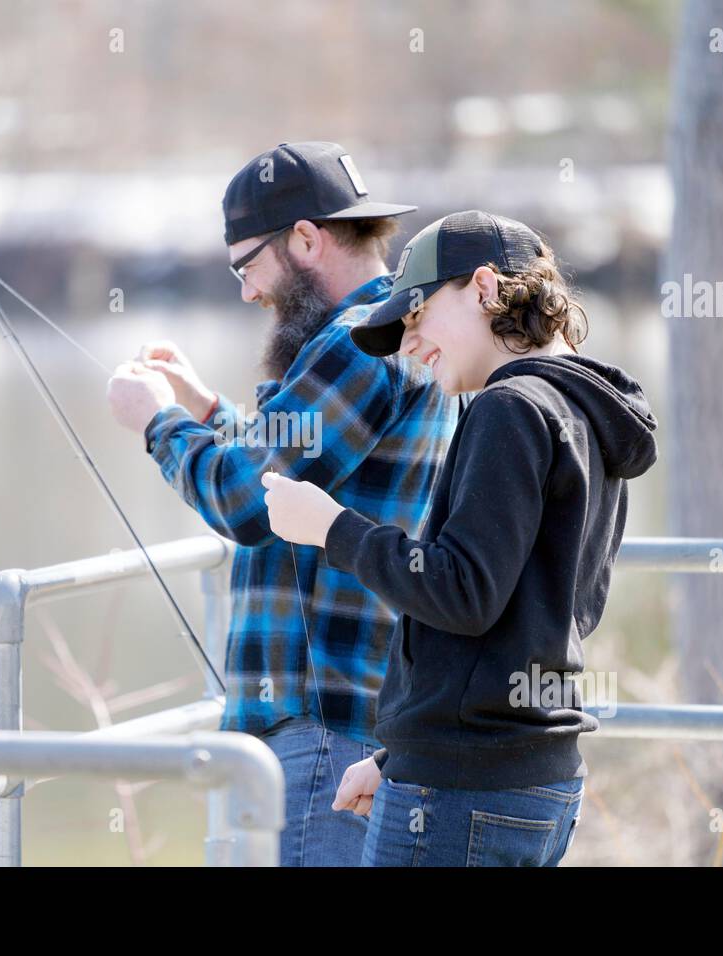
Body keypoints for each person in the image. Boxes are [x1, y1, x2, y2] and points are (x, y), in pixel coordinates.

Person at [261, 210, 658, 866]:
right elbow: (531, 617)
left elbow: (463, 591)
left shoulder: (509, 409)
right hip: (534, 779)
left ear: (482, 287)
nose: (409, 345)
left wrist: (331, 527)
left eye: (416, 317)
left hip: (462, 792)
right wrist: (397, 756)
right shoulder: (580, 414)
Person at [105, 142, 458, 866]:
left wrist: (157, 424)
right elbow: (300, 470)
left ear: (305, 238)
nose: (246, 291)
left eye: (248, 264)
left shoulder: (357, 342)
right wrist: (208, 412)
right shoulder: (386, 333)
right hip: (348, 721)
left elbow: (248, 501)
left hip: (321, 727)